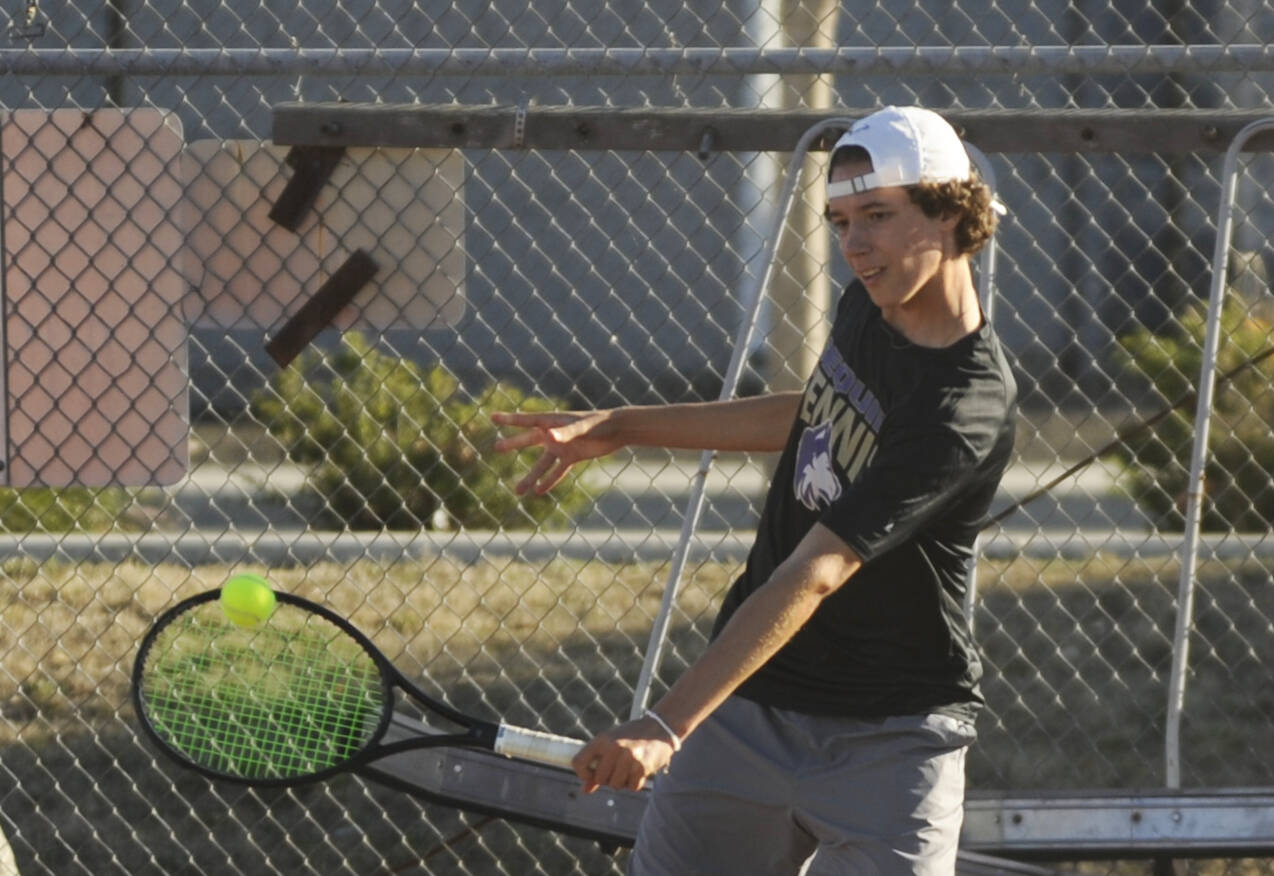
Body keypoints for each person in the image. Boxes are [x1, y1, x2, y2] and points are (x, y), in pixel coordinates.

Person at [493, 105, 1017, 876]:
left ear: (949, 213)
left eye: (877, 214)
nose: (855, 246)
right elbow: (816, 413)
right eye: (840, 221)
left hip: (893, 736)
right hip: (753, 703)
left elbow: (819, 571)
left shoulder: (964, 406)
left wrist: (665, 729)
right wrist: (625, 425)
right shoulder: (874, 308)